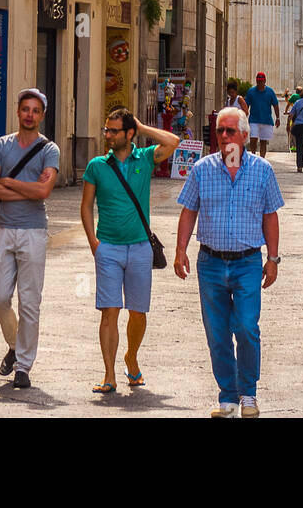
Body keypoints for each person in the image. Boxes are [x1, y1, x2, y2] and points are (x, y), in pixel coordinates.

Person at [174, 107, 284, 419]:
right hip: (210, 262)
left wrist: (273, 259)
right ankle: (227, 396)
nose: (224, 136)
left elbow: (270, 216)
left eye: (230, 131)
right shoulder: (202, 169)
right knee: (217, 333)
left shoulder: (263, 171)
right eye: (220, 130)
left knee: (247, 328)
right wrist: (180, 249)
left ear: (245, 136)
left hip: (247, 262)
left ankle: (248, 393)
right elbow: (188, 211)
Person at [81, 109, 179, 395]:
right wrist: (93, 242)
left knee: (138, 312)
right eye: (106, 130)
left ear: (129, 134)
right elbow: (86, 205)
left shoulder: (145, 158)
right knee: (109, 312)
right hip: (108, 247)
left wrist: (142, 127)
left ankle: (131, 356)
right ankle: (109, 374)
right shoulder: (97, 166)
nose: (108, 135)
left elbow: (173, 142)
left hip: (139, 248)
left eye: (114, 131)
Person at [0, 88, 60, 389]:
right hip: (4, 229)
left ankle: (24, 366)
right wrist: (25, 188)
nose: (29, 114)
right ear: (17, 112)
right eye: (25, 109)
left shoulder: (49, 150)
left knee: (30, 302)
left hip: (34, 231)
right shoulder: (1, 145)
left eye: (35, 110)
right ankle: (15, 346)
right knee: (0, 298)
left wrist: (10, 181)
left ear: (42, 115)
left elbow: (43, 193)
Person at [245, 72, 280, 158]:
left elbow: (275, 105)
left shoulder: (270, 91)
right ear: (256, 81)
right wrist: (244, 117)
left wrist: (278, 118)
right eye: (258, 81)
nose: (260, 83)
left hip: (266, 120)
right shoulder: (251, 91)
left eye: (261, 81)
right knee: (253, 139)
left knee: (263, 141)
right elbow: (246, 105)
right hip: (254, 120)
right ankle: (253, 155)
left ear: (265, 81)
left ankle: (262, 158)